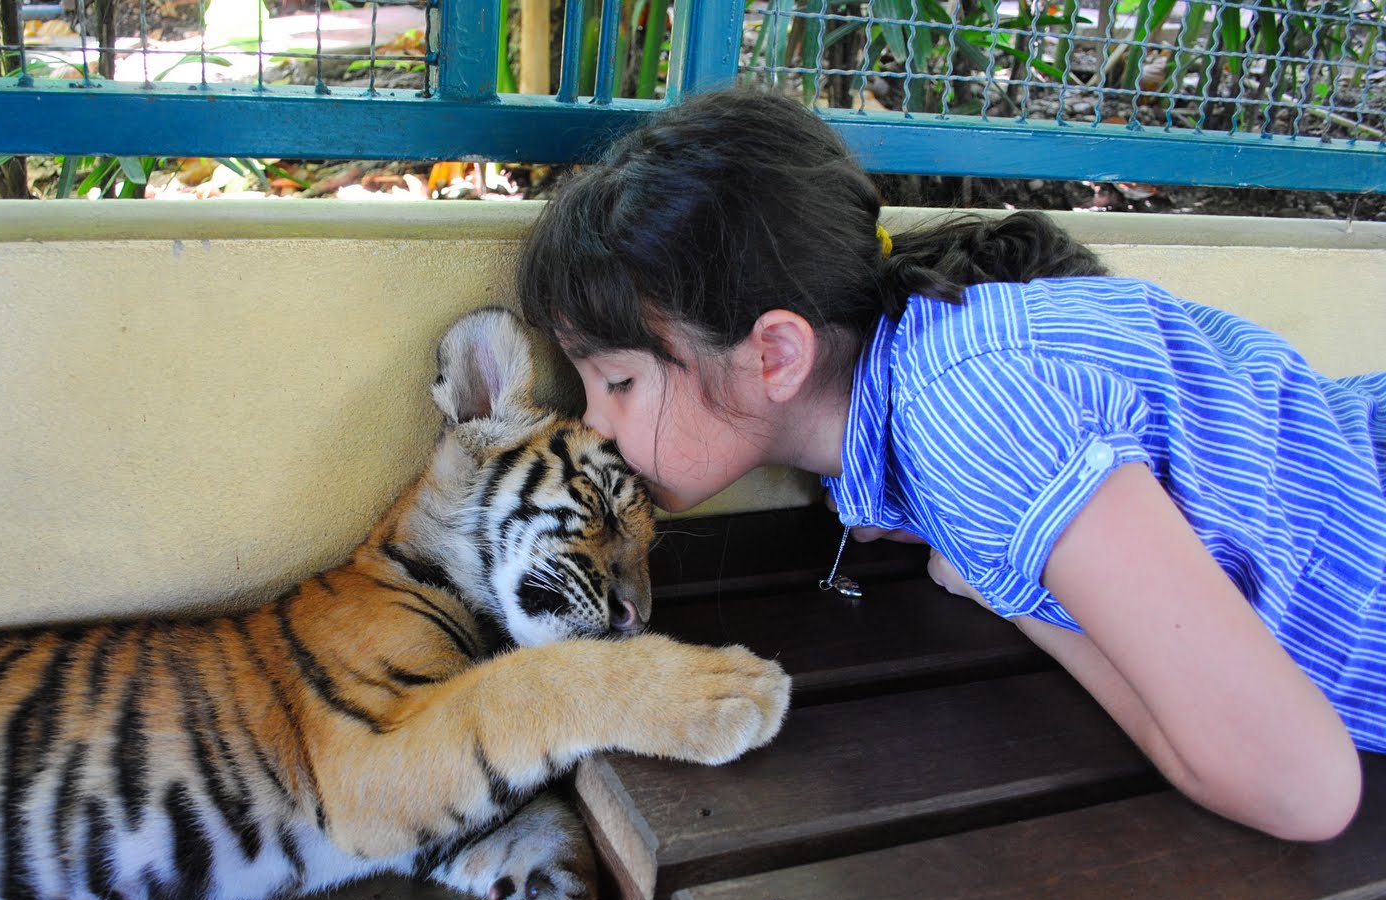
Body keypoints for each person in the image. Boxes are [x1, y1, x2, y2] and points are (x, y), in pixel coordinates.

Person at [517, 88, 1384, 842]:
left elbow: (1300, 787)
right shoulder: (932, 373)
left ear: (776, 355)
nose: (594, 426)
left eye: (618, 381)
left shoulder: (969, 413)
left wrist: (1009, 592)